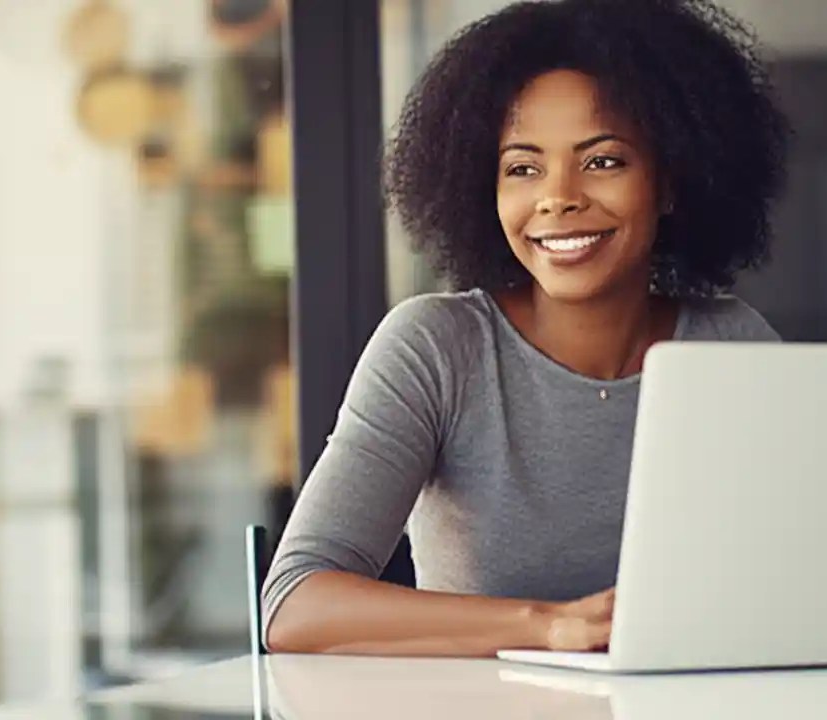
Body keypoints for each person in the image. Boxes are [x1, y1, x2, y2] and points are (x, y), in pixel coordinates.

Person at [263, 0, 789, 656]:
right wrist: (545, 626)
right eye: (523, 167)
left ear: (672, 182)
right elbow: (296, 605)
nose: (558, 196)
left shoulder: (729, 345)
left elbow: (803, 568)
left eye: (603, 161)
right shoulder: (437, 348)